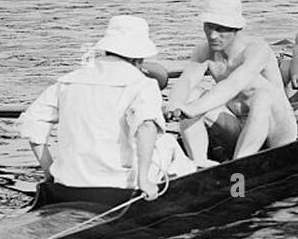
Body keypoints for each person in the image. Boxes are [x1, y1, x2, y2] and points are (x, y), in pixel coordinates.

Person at [16, 15, 194, 202]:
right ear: (140, 57)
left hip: (66, 185)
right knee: (168, 142)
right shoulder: (143, 84)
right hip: (116, 188)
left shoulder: (68, 80)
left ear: (107, 49)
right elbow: (146, 127)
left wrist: (50, 173)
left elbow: (32, 123)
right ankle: (190, 191)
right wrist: (144, 181)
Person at [167, 0, 298, 162]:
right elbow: (185, 82)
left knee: (262, 96)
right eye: (209, 26)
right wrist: (174, 104)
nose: (213, 35)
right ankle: (198, 164)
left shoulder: (257, 50)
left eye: (220, 29)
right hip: (239, 127)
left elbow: (233, 84)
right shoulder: (203, 51)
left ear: (237, 29)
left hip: (277, 131)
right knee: (191, 96)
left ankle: (239, 165)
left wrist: (193, 109)